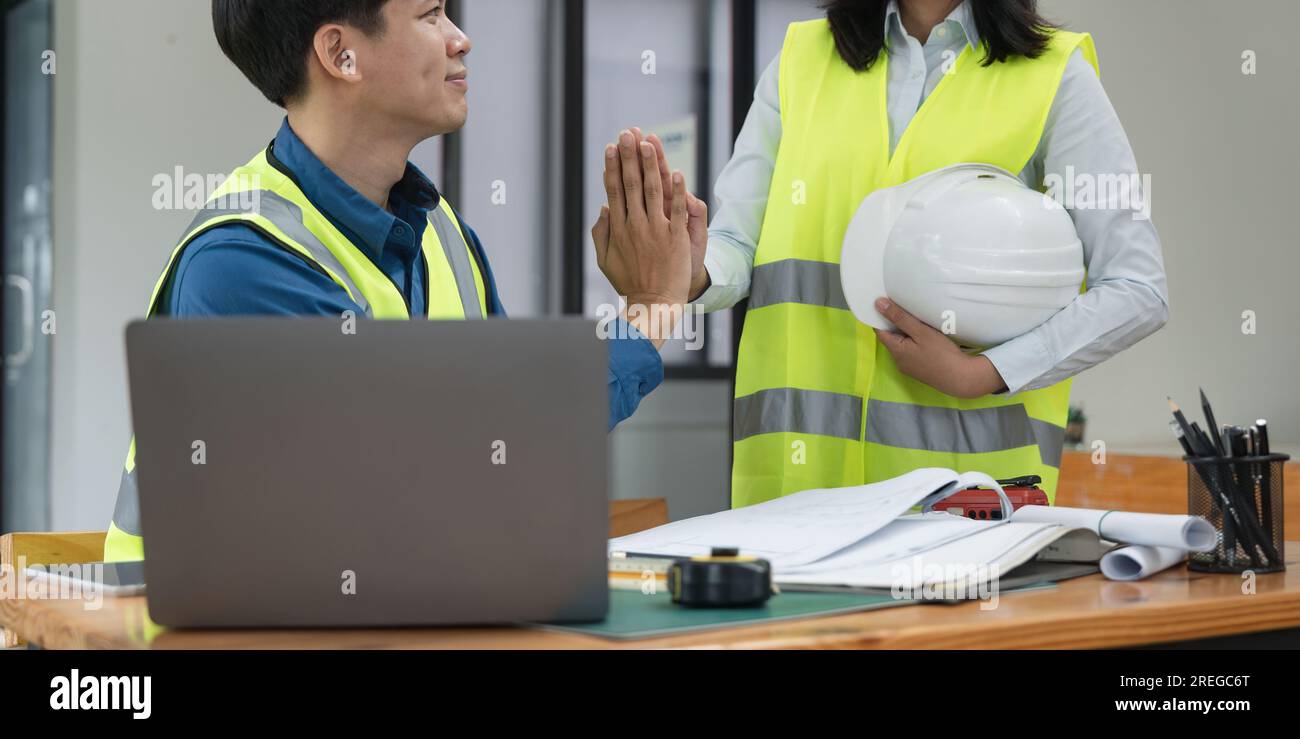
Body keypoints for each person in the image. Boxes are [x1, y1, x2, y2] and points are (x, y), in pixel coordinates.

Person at [104, 0, 696, 562]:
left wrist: (653, 302)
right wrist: (651, 306)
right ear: (340, 55)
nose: (460, 39)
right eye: (430, 14)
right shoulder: (243, 261)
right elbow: (438, 477)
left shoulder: (443, 233)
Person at [614, 0, 1168, 507]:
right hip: (799, 498)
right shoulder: (801, 59)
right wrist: (686, 272)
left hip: (962, 505)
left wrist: (985, 372)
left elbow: (1136, 289)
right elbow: (740, 244)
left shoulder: (1053, 74)